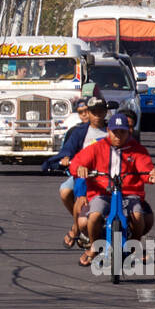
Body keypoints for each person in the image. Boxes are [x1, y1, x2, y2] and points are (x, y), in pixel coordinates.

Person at [69, 111, 155, 266]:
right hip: (101, 194)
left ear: (128, 132)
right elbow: (76, 162)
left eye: (122, 132)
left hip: (129, 195)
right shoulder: (96, 147)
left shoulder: (137, 149)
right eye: (114, 132)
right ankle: (94, 247)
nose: (118, 136)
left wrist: (151, 175)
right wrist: (80, 168)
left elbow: (146, 168)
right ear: (108, 131)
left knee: (138, 216)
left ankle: (134, 246)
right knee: (94, 216)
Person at [45, 96, 110, 247]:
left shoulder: (112, 131)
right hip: (84, 174)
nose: (97, 115)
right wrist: (67, 158)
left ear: (106, 112)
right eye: (93, 112)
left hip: (108, 174)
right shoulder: (80, 131)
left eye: (101, 111)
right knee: (66, 192)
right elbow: (68, 150)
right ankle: (76, 227)